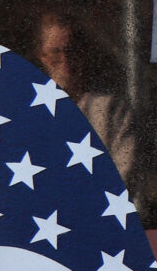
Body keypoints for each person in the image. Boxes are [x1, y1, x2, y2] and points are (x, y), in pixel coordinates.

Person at [33, 10, 137, 181]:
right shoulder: (28, 112)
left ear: (83, 52)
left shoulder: (111, 109)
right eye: (56, 52)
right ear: (43, 56)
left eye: (71, 50)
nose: (65, 60)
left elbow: (124, 174)